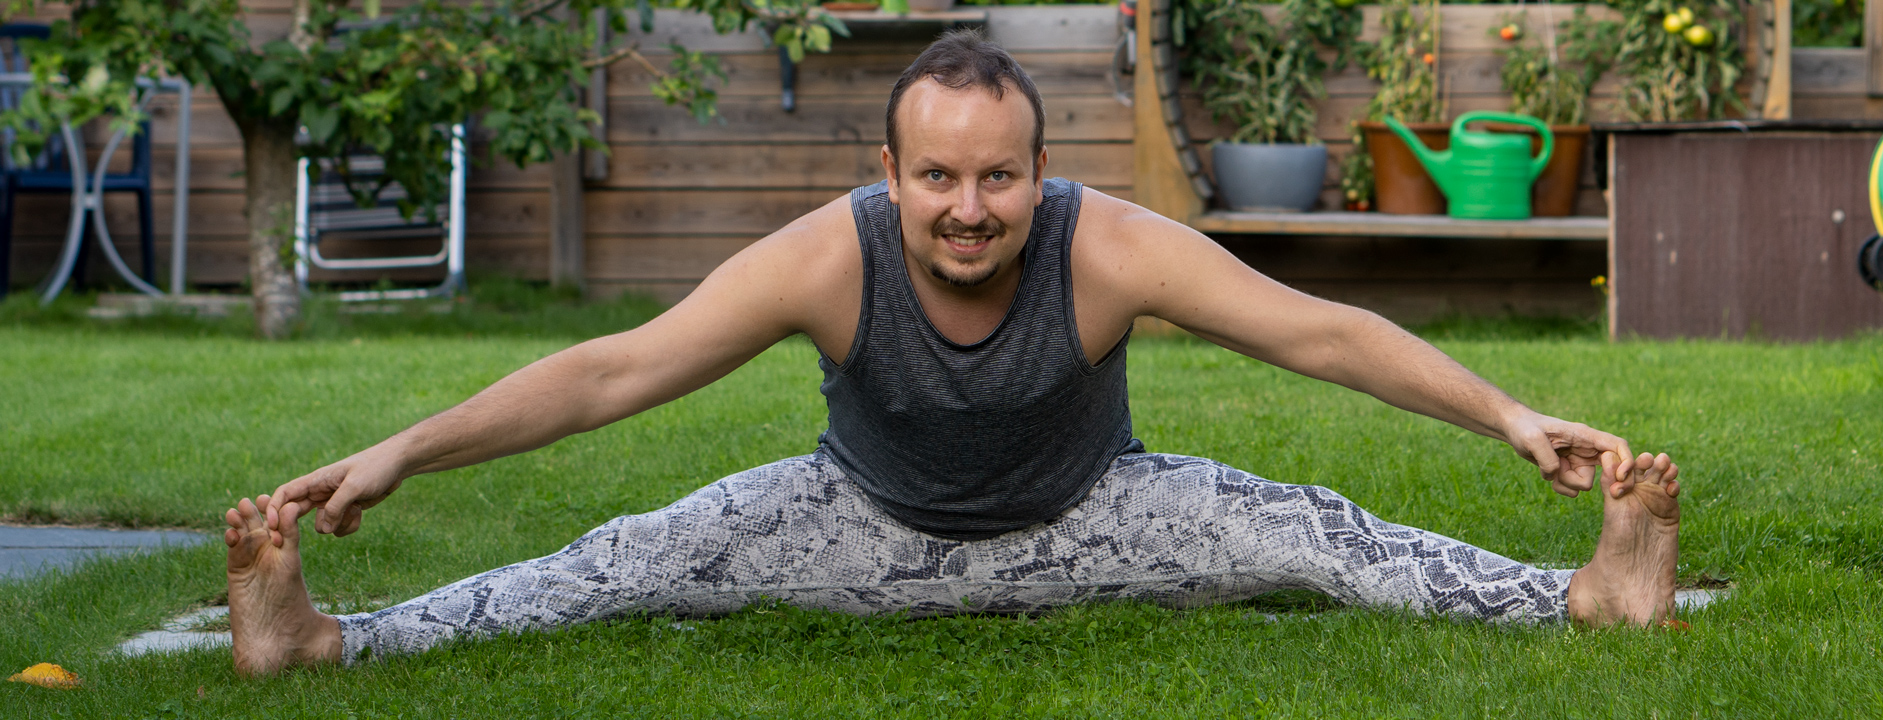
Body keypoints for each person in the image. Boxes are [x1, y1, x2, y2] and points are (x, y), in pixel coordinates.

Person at [222, 30, 1682, 676]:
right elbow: (613, 370)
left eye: (998, 177)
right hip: (856, 522)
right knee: (614, 562)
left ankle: (1596, 596)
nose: (968, 207)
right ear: (891, 171)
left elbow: (1321, 332)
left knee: (1313, 526)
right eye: (937, 177)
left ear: (1041, 173)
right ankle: (322, 640)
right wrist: (407, 449)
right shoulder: (825, 256)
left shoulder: (1108, 246)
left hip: (1097, 517)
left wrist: (1508, 413)